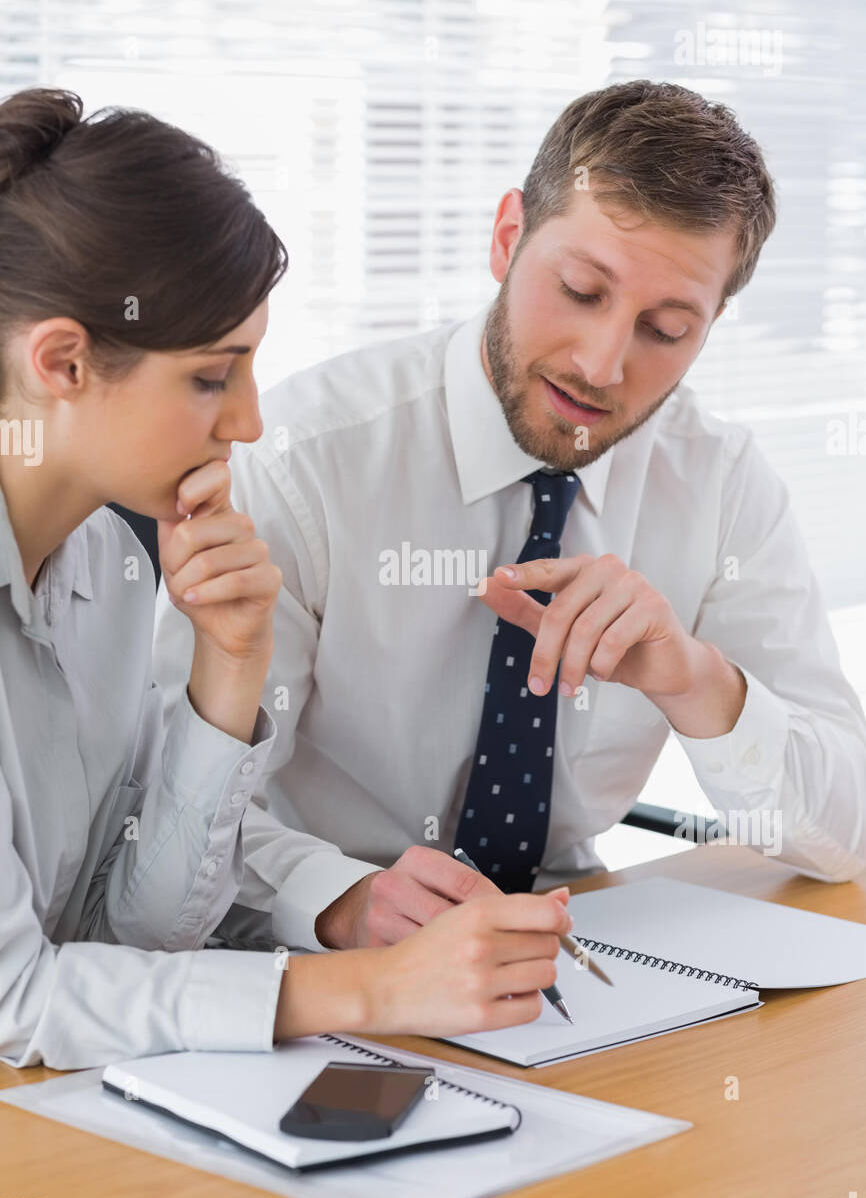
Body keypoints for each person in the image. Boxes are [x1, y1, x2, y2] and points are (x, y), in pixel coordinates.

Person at [152, 78, 866, 961]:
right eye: (580, 290)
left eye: (666, 329)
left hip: (569, 963)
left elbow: (843, 836)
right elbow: (161, 819)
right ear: (507, 238)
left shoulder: (721, 486)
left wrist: (694, 680)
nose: (602, 365)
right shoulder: (306, 462)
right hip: (314, 969)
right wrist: (340, 899)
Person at [0, 87, 571, 1070]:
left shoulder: (108, 561)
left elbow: (128, 935)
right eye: (213, 376)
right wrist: (374, 988)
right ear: (64, 361)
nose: (249, 422)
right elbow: (20, 998)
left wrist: (229, 668)